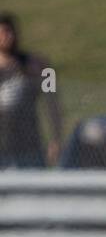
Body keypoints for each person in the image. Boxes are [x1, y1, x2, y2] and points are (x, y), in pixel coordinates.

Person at [0, 13, 62, 168]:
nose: (6, 37)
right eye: (1, 33)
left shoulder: (35, 65)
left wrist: (56, 138)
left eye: (8, 31)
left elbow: (52, 102)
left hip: (31, 147)